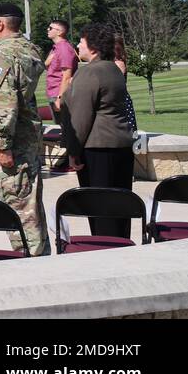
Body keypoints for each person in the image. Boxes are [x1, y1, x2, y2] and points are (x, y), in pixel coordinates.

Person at [0, 2, 50, 256]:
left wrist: (3, 145)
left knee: (19, 209)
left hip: (14, 146)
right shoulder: (27, 49)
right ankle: (39, 255)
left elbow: (5, 105)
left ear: (0, 24)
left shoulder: (2, 54)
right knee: (30, 206)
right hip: (27, 141)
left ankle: (28, 261)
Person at [60, 22, 137, 239]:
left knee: (100, 210)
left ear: (92, 47)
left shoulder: (90, 73)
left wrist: (73, 152)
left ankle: (105, 249)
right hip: (121, 146)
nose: (78, 45)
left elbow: (81, 118)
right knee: (120, 208)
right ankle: (121, 244)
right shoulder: (113, 68)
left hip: (98, 149)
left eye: (81, 42)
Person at [45, 20, 78, 112]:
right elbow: (50, 68)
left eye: (51, 28)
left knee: (64, 125)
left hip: (59, 94)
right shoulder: (56, 48)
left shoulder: (64, 49)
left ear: (60, 32)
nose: (48, 29)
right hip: (53, 92)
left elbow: (67, 76)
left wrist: (60, 99)